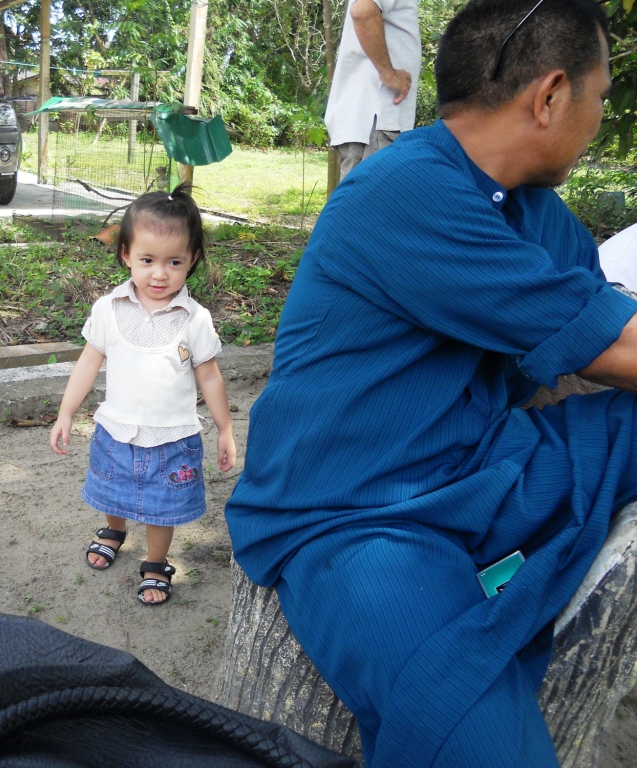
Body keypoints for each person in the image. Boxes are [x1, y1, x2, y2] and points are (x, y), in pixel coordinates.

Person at [225, 0, 631, 765]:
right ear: (549, 96)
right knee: (484, 745)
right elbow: (619, 348)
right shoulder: (403, 190)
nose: (600, 119)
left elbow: (612, 319)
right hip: (358, 517)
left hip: (487, 462)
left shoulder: (538, 215)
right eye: (601, 97)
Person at [50, 183, 237, 606]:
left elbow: (210, 377)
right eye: (147, 260)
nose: (159, 274)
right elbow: (87, 363)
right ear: (126, 256)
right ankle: (113, 531)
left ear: (191, 261)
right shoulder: (108, 309)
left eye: (174, 262)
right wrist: (66, 413)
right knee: (110, 490)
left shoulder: (195, 318)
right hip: (115, 430)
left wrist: (225, 429)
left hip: (173, 438)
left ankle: (156, 563)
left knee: (162, 505)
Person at [324, 0, 421, 181]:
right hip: (376, 121)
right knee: (370, 206)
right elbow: (363, 11)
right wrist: (389, 75)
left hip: (374, 121)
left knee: (361, 205)